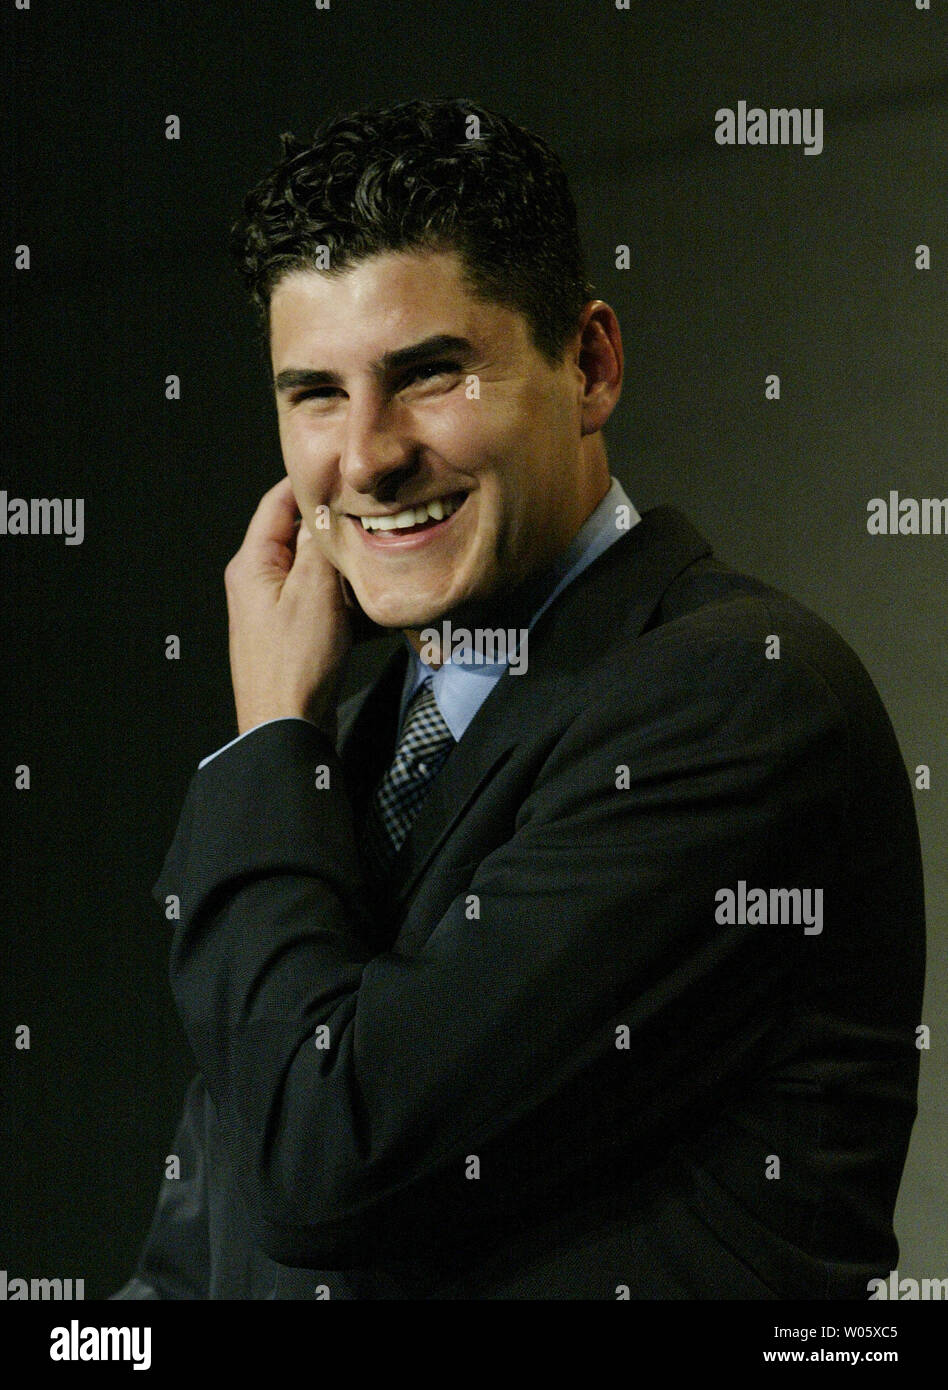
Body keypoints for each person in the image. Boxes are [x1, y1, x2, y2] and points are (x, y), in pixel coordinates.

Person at [112, 98, 925, 1300]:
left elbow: (330, 1155)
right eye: (315, 395)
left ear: (590, 364)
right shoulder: (383, 741)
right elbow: (206, 1262)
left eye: (429, 373)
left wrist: (273, 739)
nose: (368, 456)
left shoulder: (737, 698)